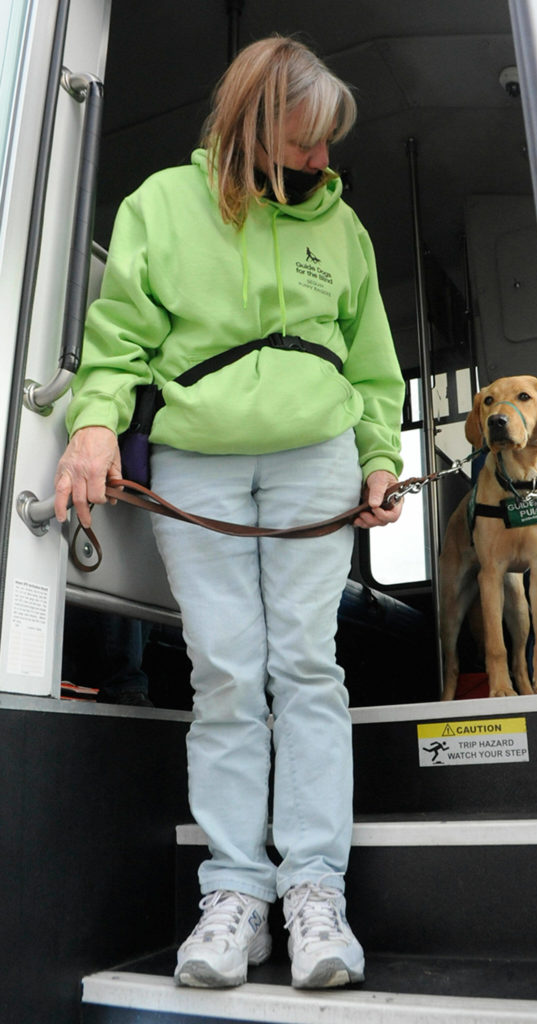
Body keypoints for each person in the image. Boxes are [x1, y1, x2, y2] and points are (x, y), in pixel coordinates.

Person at [54, 36, 404, 991]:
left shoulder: (345, 228)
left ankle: (313, 892)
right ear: (253, 126)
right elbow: (118, 338)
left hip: (314, 458)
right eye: (307, 142)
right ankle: (236, 897)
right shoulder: (160, 206)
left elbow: (372, 365)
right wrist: (93, 425)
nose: (323, 162)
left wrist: (379, 456)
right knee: (224, 674)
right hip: (197, 467)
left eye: (328, 144)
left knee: (306, 667)